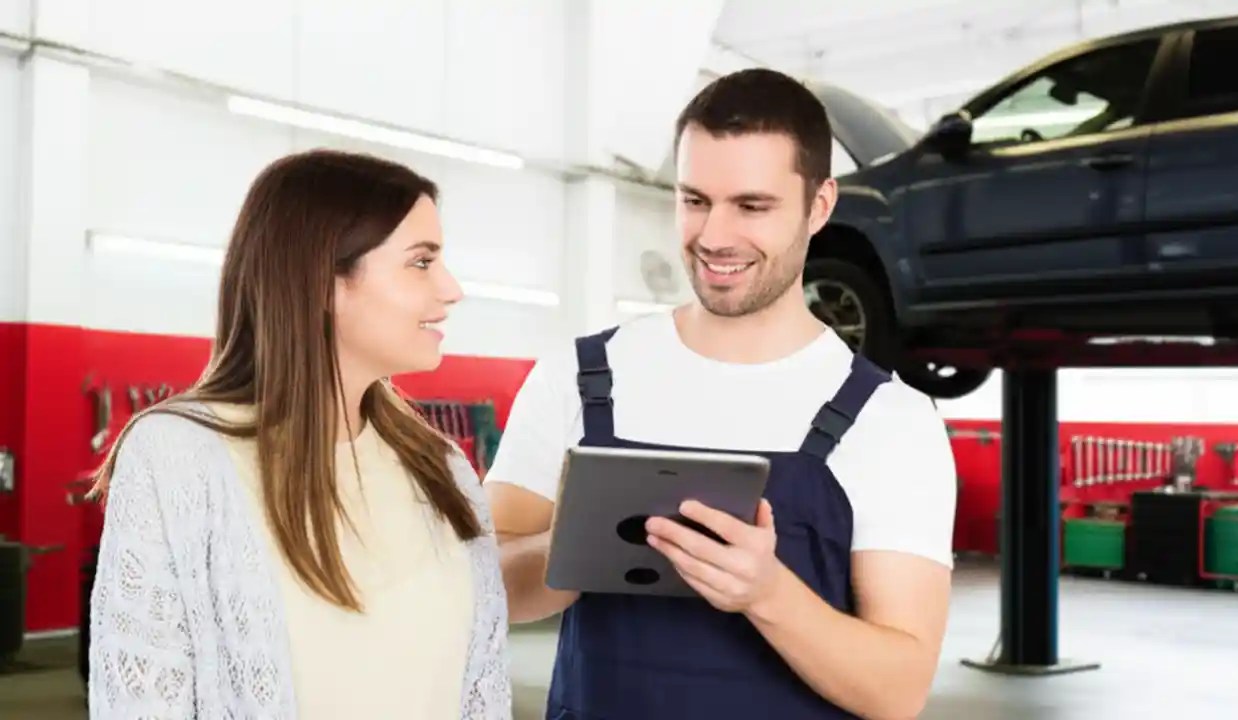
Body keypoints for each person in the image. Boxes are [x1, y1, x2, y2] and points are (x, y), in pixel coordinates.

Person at [486, 68, 956, 720]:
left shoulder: (891, 422)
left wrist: (766, 593)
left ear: (820, 206)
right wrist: (566, 551)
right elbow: (484, 591)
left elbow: (898, 691)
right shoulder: (579, 376)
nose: (714, 237)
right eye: (695, 200)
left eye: (752, 206)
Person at [87, 150, 512, 719]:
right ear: (321, 280)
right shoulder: (178, 458)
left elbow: (481, 692)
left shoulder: (442, 469)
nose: (451, 288)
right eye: (420, 262)